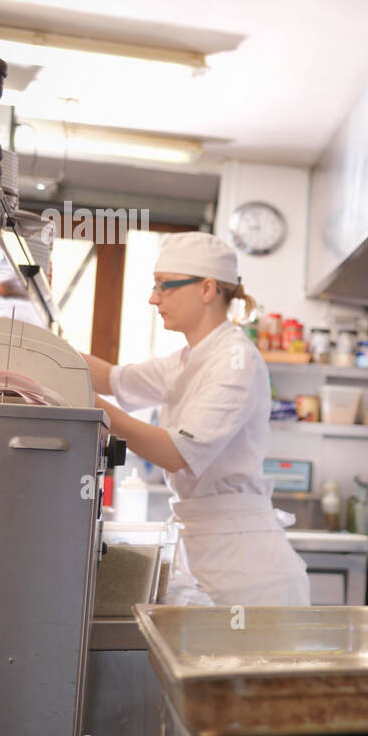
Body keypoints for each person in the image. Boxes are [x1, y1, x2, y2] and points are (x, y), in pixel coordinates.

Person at [82, 232, 309, 607]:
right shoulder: (188, 359)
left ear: (206, 289)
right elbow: (111, 378)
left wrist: (96, 410)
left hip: (247, 572)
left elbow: (176, 453)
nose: (153, 298)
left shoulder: (236, 360)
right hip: (205, 549)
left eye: (164, 286)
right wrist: (39, 351)